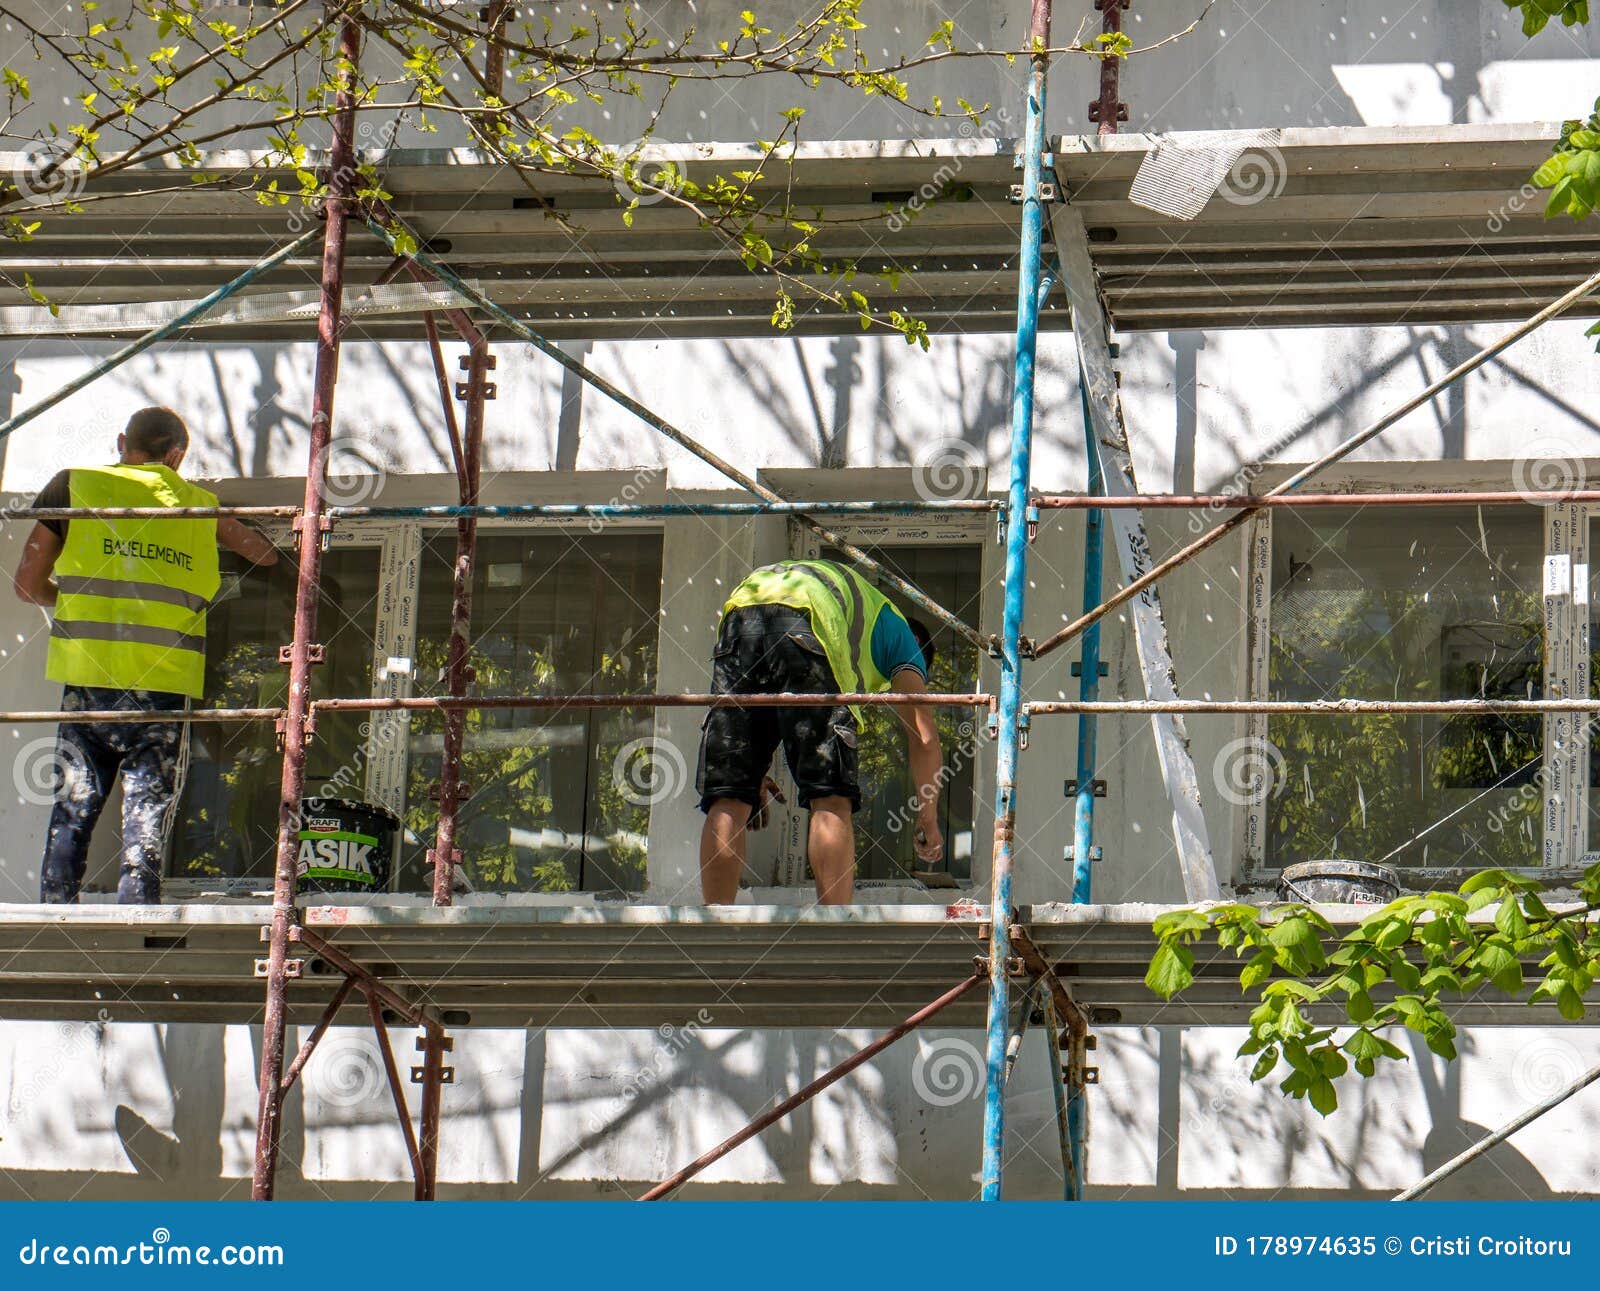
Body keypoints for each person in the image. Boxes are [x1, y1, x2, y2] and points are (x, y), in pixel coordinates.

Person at [12, 406, 281, 904]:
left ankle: (55, 914)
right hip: (161, 689)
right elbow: (265, 555)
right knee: (146, 817)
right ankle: (136, 920)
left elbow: (27, 587)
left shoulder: (71, 485)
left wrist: (70, 599)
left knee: (73, 810)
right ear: (176, 455)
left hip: (86, 685)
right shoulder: (200, 507)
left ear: (121, 442)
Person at [696, 558, 946, 905]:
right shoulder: (902, 638)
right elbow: (923, 735)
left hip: (741, 612)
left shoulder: (854, 613)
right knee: (829, 795)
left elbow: (776, 688)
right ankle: (836, 933)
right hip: (808, 614)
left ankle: (713, 932)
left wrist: (754, 766)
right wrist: (928, 817)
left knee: (729, 796)